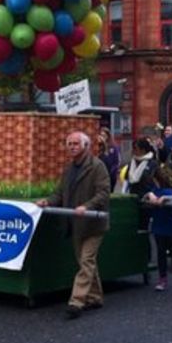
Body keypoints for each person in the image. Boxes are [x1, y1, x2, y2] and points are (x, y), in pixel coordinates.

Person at [38, 131, 110, 319]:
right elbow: (59, 194)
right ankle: (95, 297)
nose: (71, 147)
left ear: (86, 146)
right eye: (69, 143)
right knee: (86, 262)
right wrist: (48, 202)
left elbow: (103, 193)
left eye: (76, 143)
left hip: (93, 223)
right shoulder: (69, 169)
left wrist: (87, 206)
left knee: (86, 261)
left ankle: (76, 302)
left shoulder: (97, 166)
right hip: (75, 224)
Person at [144, 167, 172, 291]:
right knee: (161, 252)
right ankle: (162, 278)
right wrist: (149, 194)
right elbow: (146, 196)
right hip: (159, 225)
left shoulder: (170, 191)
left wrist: (164, 198)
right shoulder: (154, 191)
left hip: (171, 226)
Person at [122, 137, 159, 231]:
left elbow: (157, 182)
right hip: (133, 198)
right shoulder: (132, 163)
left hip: (146, 201)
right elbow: (126, 180)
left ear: (143, 150)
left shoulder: (152, 164)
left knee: (144, 226)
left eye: (136, 149)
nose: (134, 151)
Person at [97, 127, 121, 192]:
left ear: (108, 136)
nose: (102, 137)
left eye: (104, 135)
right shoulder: (98, 147)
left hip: (111, 175)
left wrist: (111, 172)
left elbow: (116, 162)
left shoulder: (113, 147)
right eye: (101, 135)